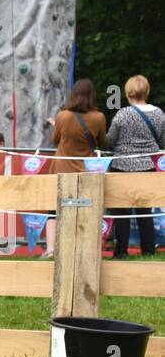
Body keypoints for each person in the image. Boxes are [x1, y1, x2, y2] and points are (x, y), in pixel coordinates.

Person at [41, 79, 108, 257]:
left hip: (62, 168)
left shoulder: (63, 116)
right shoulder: (99, 117)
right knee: (85, 209)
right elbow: (102, 142)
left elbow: (55, 140)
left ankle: (51, 249)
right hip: (87, 169)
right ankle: (85, 250)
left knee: (54, 209)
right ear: (91, 96)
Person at [105, 74, 163, 258]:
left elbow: (110, 140)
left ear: (128, 92)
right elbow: (162, 140)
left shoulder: (122, 114)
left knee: (122, 211)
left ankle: (121, 251)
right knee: (144, 210)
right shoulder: (159, 114)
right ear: (146, 91)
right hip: (147, 166)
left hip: (122, 166)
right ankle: (148, 250)